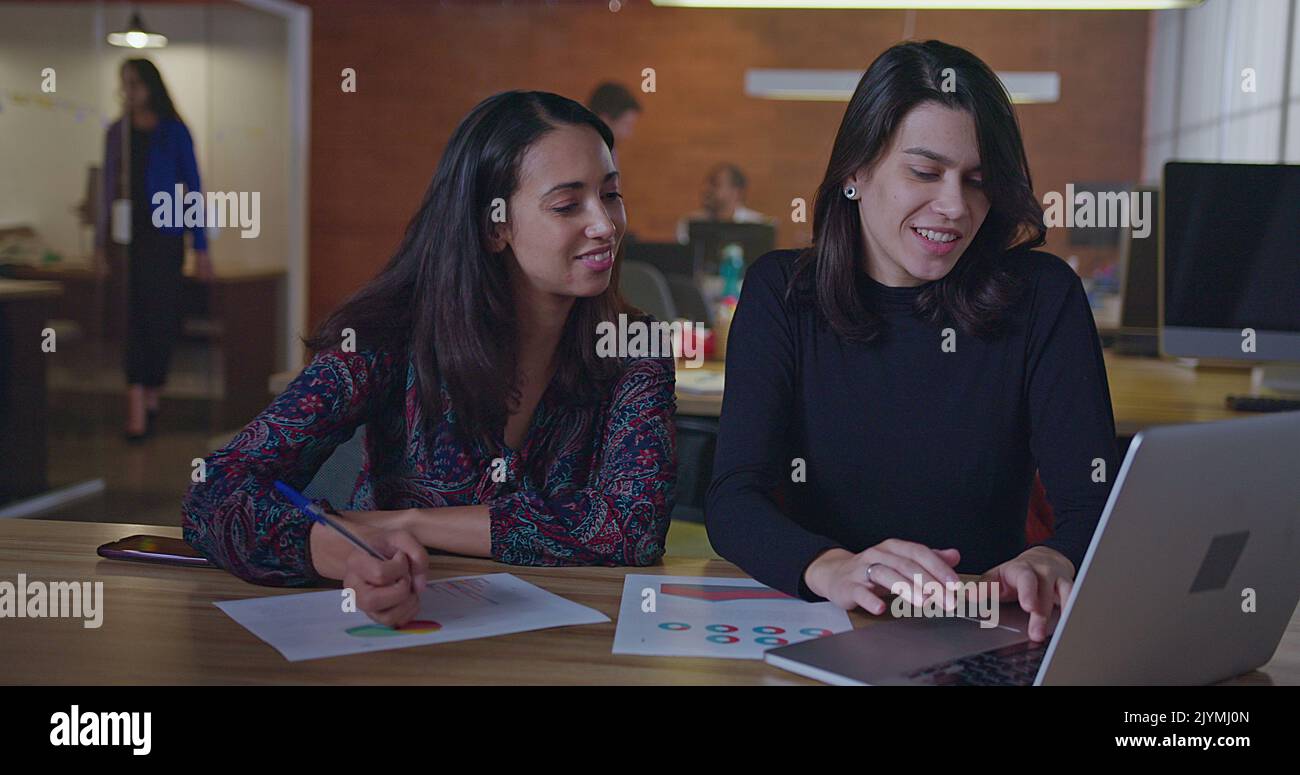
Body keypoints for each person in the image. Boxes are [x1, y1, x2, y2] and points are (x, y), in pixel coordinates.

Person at [182, 91, 676, 628]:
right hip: (406, 635)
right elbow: (215, 490)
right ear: (494, 226)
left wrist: (407, 522)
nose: (605, 224)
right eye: (567, 205)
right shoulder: (388, 338)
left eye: (611, 194)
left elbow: (631, 528)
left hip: (570, 649)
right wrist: (346, 551)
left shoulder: (633, 344)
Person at [705, 40, 1118, 643]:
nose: (954, 206)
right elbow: (733, 500)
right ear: (856, 170)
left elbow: (1096, 504)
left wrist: (1056, 558)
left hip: (990, 631)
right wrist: (831, 567)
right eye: (925, 172)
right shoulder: (782, 291)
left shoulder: (1042, 296)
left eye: (977, 181)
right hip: (832, 624)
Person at [94, 58, 212, 441]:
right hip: (128, 240)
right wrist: (99, 243)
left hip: (164, 237)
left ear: (150, 87)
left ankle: (152, 393)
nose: (129, 92)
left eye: (135, 84)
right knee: (132, 318)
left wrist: (201, 246)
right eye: (124, 84)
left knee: (160, 318)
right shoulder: (117, 132)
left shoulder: (174, 131)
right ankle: (135, 405)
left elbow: (193, 187)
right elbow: (106, 188)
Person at [675, 162, 772, 244]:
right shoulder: (689, 223)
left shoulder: (760, 226)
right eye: (707, 184)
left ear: (736, 193)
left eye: (715, 184)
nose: (706, 189)